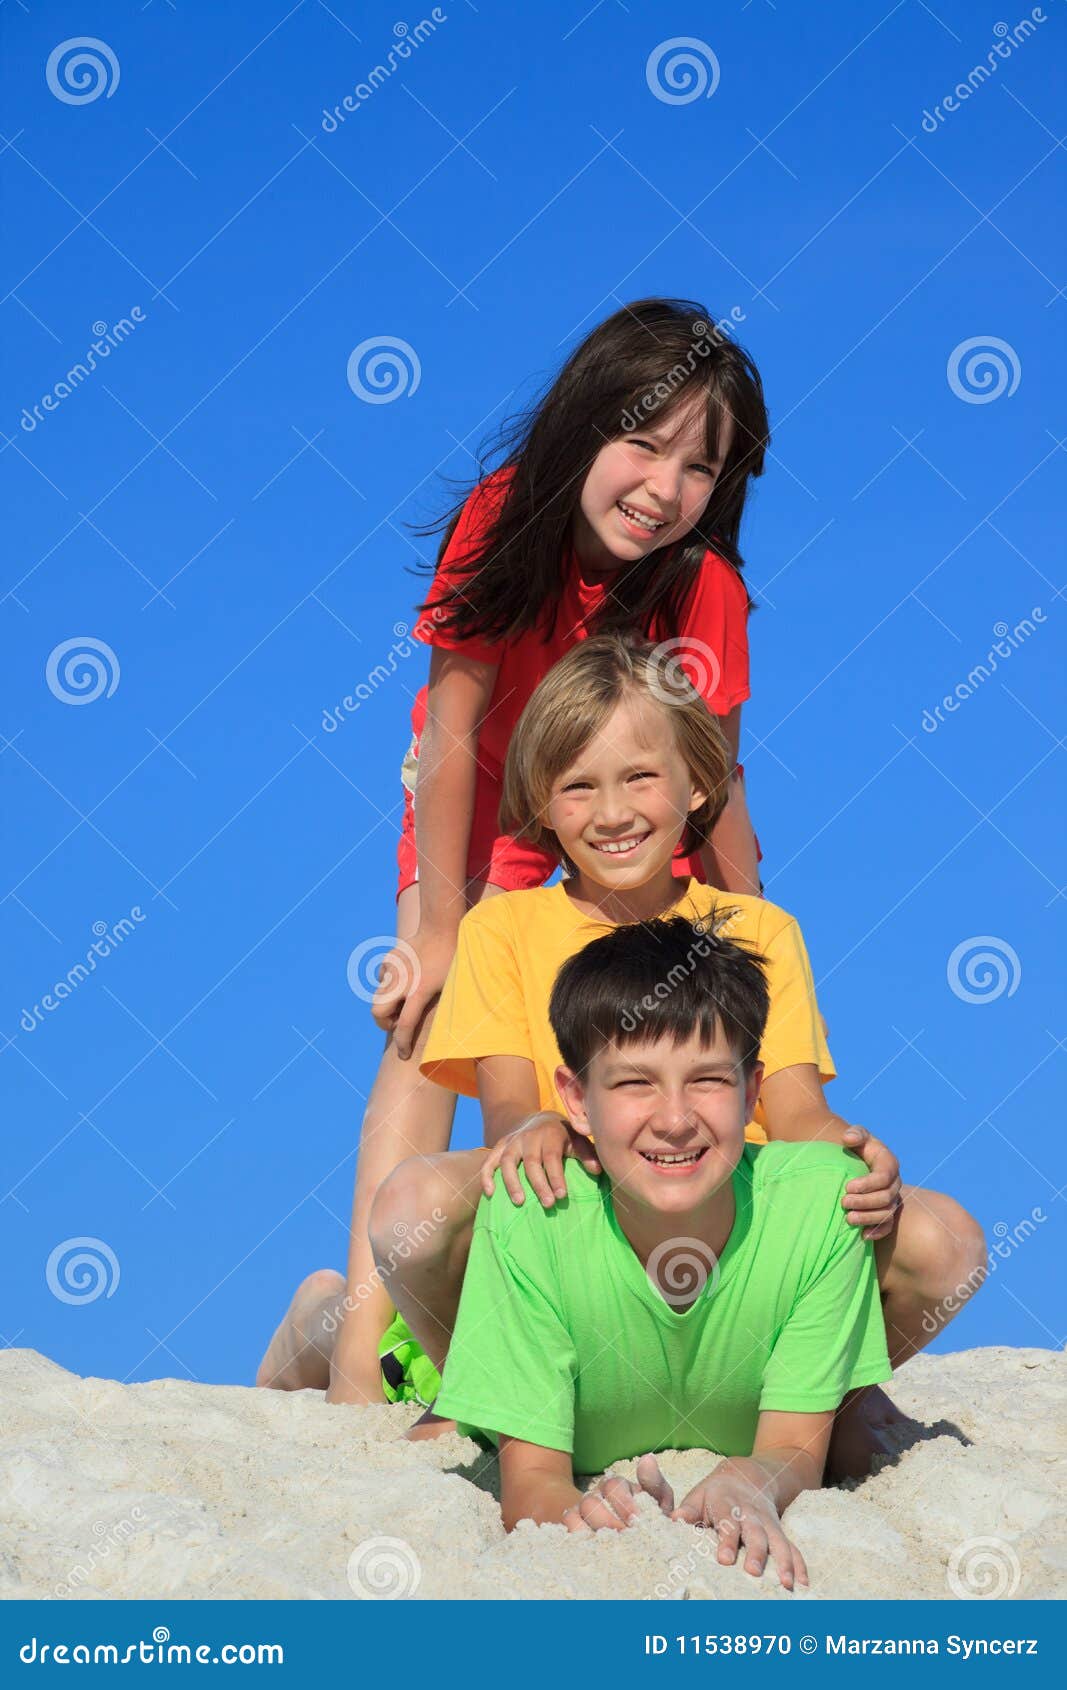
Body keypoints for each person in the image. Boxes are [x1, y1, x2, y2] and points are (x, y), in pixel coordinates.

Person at [263, 634, 986, 1480]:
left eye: (640, 777)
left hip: (713, 1240)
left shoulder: (759, 931)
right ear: (541, 804)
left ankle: (827, 1392)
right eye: (577, 787)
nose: (612, 813)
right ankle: (467, 1387)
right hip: (560, 1255)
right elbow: (510, 1108)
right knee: (409, 1208)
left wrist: (849, 1149)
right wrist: (539, 1125)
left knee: (946, 1241)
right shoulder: (502, 930)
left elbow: (794, 1114)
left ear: (698, 781)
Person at [259, 298, 773, 1404]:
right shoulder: (502, 518)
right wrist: (436, 927)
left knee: (650, 1010)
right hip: (484, 803)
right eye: (641, 442)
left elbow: (711, 778)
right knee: (434, 1015)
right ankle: (354, 1344)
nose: (662, 486)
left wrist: (746, 927)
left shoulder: (703, 589)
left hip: (616, 814)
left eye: (699, 466)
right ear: (582, 425)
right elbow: (449, 734)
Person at [415, 915, 892, 1590]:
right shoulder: (530, 1212)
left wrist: (746, 1479)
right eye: (634, 1083)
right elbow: (532, 1485)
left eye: (707, 1081)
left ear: (752, 1091)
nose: (673, 1119)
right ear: (575, 1100)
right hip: (479, 1367)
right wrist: (578, 1508)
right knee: (402, 1366)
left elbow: (791, 1449)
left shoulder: (823, 1205)